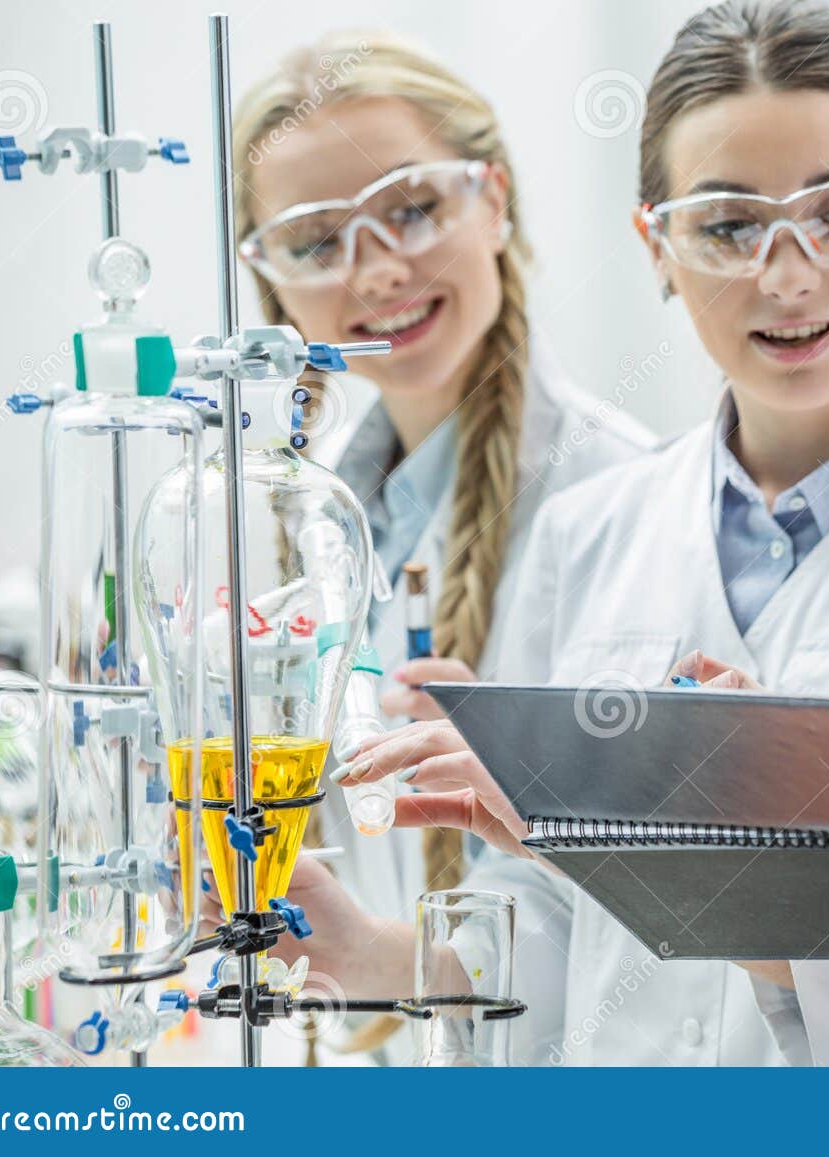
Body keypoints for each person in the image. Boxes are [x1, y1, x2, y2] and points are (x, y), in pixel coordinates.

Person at [321, 0, 829, 1066]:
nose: (787, 273)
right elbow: (561, 939)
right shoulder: (591, 532)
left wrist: (702, 821)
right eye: (726, 225)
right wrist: (374, 958)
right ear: (658, 247)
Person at [229, 30, 650, 1059]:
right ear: (272, 285)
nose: (374, 269)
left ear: (493, 199)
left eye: (411, 209)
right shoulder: (330, 518)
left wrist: (391, 967)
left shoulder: (619, 503)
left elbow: (624, 928)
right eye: (316, 241)